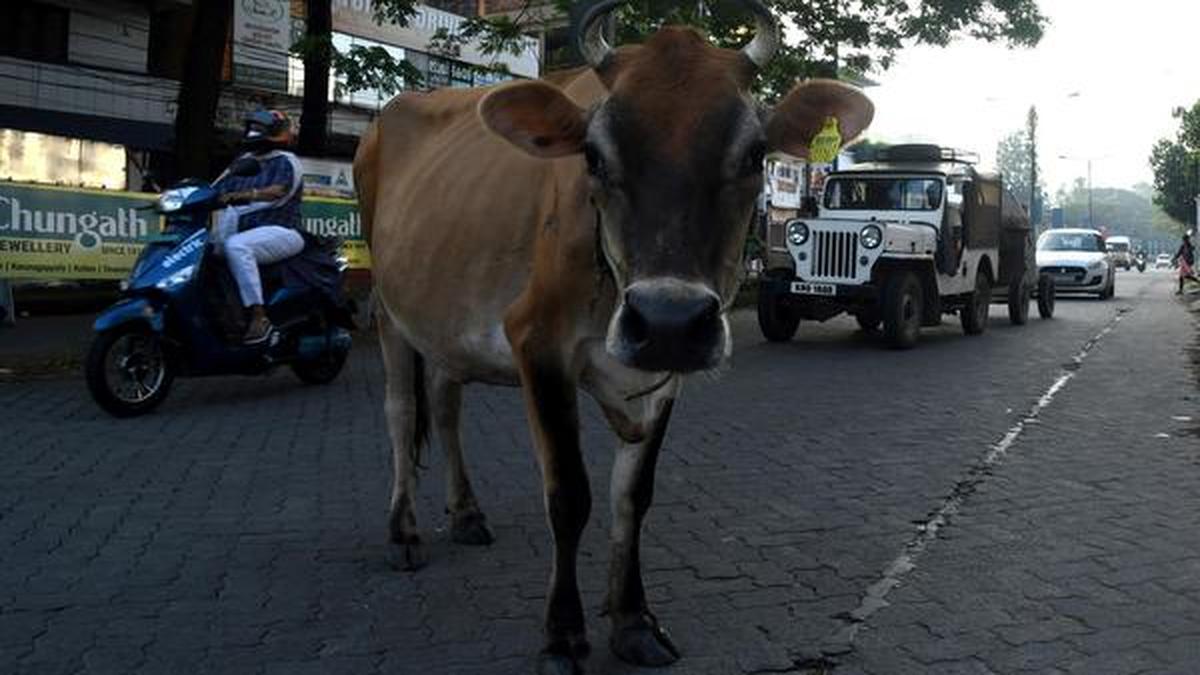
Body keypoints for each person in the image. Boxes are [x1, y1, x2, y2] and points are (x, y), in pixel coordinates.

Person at [212, 110, 305, 343]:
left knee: (237, 247)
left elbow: (279, 190)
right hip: (241, 230)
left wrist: (245, 194)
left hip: (281, 230)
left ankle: (258, 316)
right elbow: (215, 188)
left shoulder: (286, 161)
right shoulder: (242, 162)